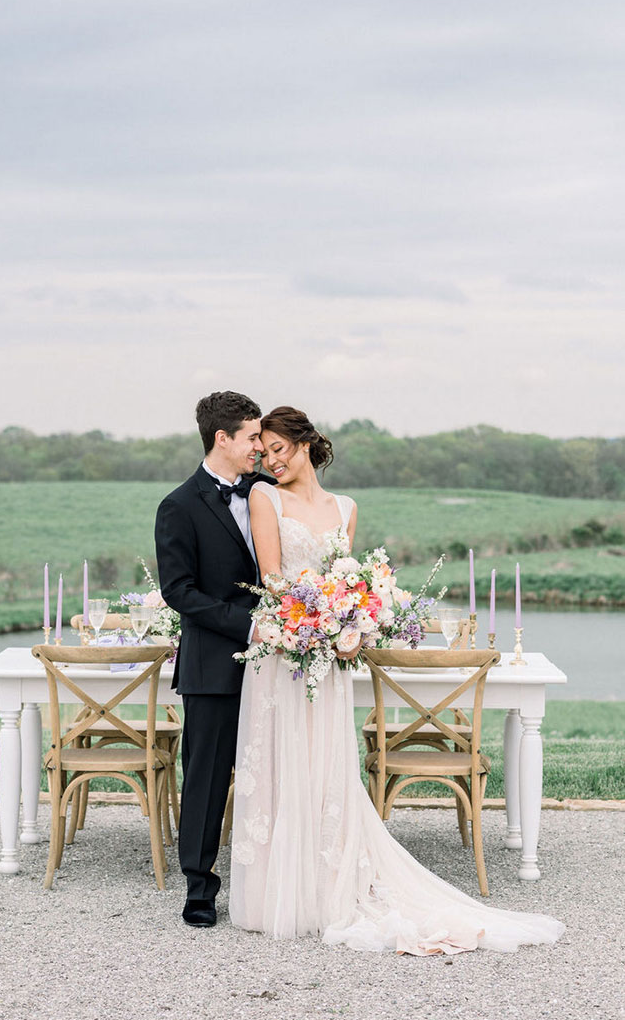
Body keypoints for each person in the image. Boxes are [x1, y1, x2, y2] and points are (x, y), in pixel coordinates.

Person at [229, 406, 565, 955]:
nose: (271, 461)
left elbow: (349, 577)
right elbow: (271, 581)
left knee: (327, 765)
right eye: (264, 453)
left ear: (306, 443)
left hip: (329, 660)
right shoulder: (264, 499)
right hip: (283, 653)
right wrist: (319, 614)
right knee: (281, 763)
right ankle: (279, 893)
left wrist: (353, 617)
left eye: (279, 450)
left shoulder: (346, 507)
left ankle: (328, 883)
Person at [155, 390, 272, 928]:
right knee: (205, 778)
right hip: (213, 663)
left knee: (274, 770)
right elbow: (178, 590)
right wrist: (247, 623)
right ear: (221, 438)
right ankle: (199, 889)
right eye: (252, 437)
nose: (260, 448)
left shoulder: (269, 493)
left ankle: (275, 880)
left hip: (280, 662)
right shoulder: (179, 506)